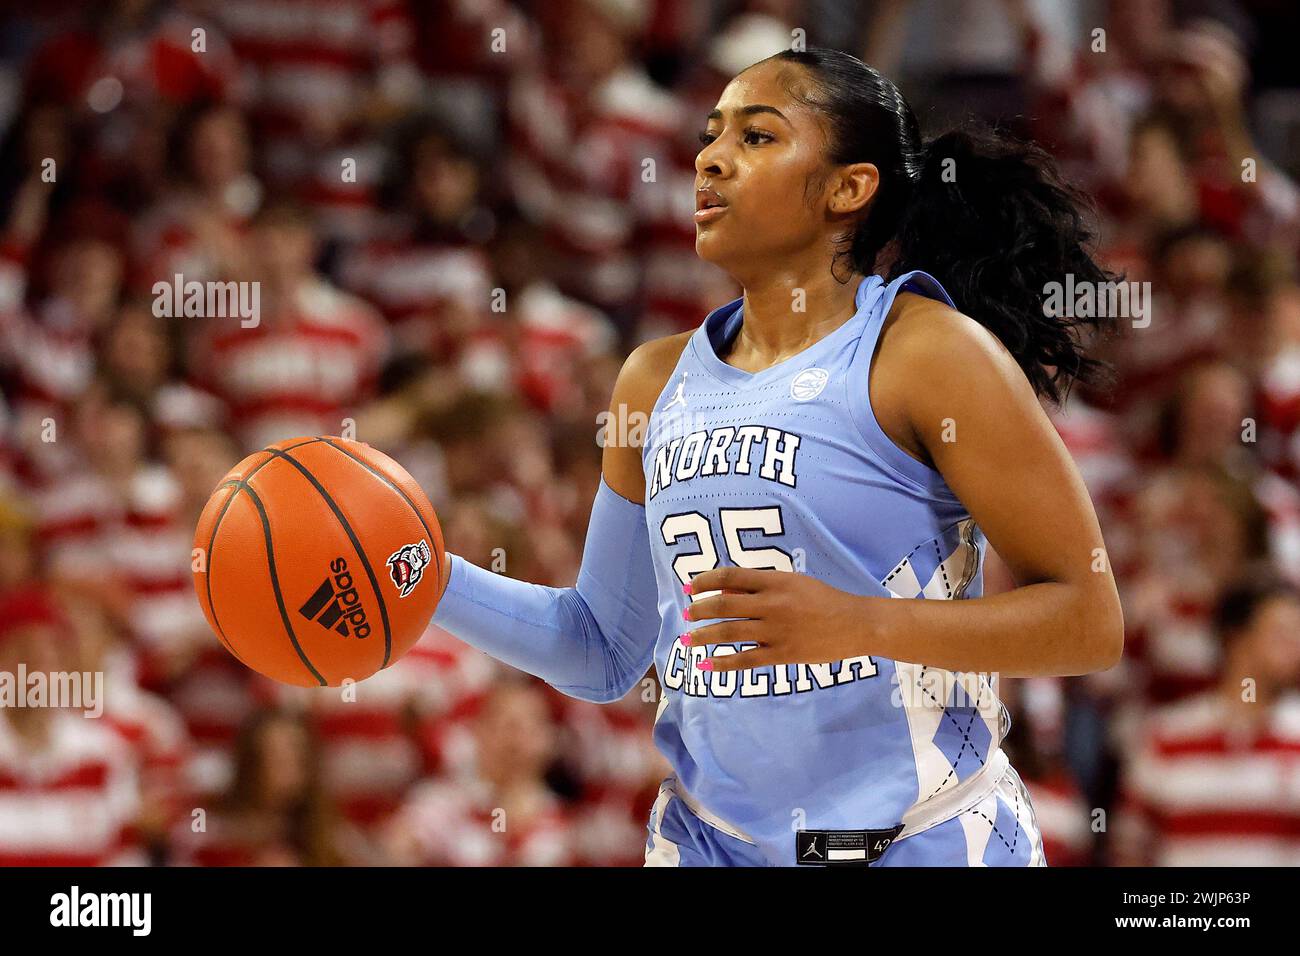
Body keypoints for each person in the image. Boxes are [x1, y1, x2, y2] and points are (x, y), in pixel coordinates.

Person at [430, 47, 1123, 867]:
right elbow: (600, 649)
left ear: (848, 188)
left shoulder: (924, 353)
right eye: (709, 135)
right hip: (709, 845)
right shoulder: (651, 381)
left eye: (758, 138)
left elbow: (1088, 619)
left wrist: (861, 623)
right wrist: (416, 577)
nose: (710, 158)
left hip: (921, 840)